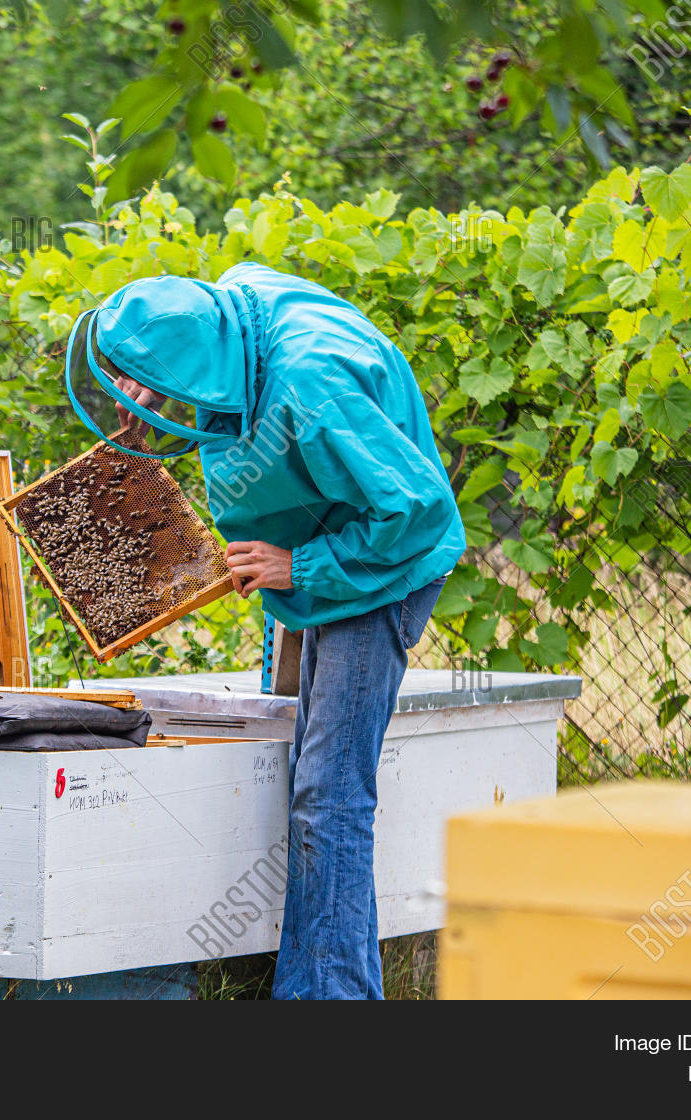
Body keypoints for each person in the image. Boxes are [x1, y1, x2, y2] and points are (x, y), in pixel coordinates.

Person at [62, 262, 465, 1000]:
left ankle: (330, 997)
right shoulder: (234, 304)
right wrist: (158, 385)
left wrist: (298, 564)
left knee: (330, 793)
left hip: (379, 565)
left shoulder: (316, 382)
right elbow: (208, 355)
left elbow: (417, 512)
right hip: (317, 540)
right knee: (314, 784)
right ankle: (330, 986)